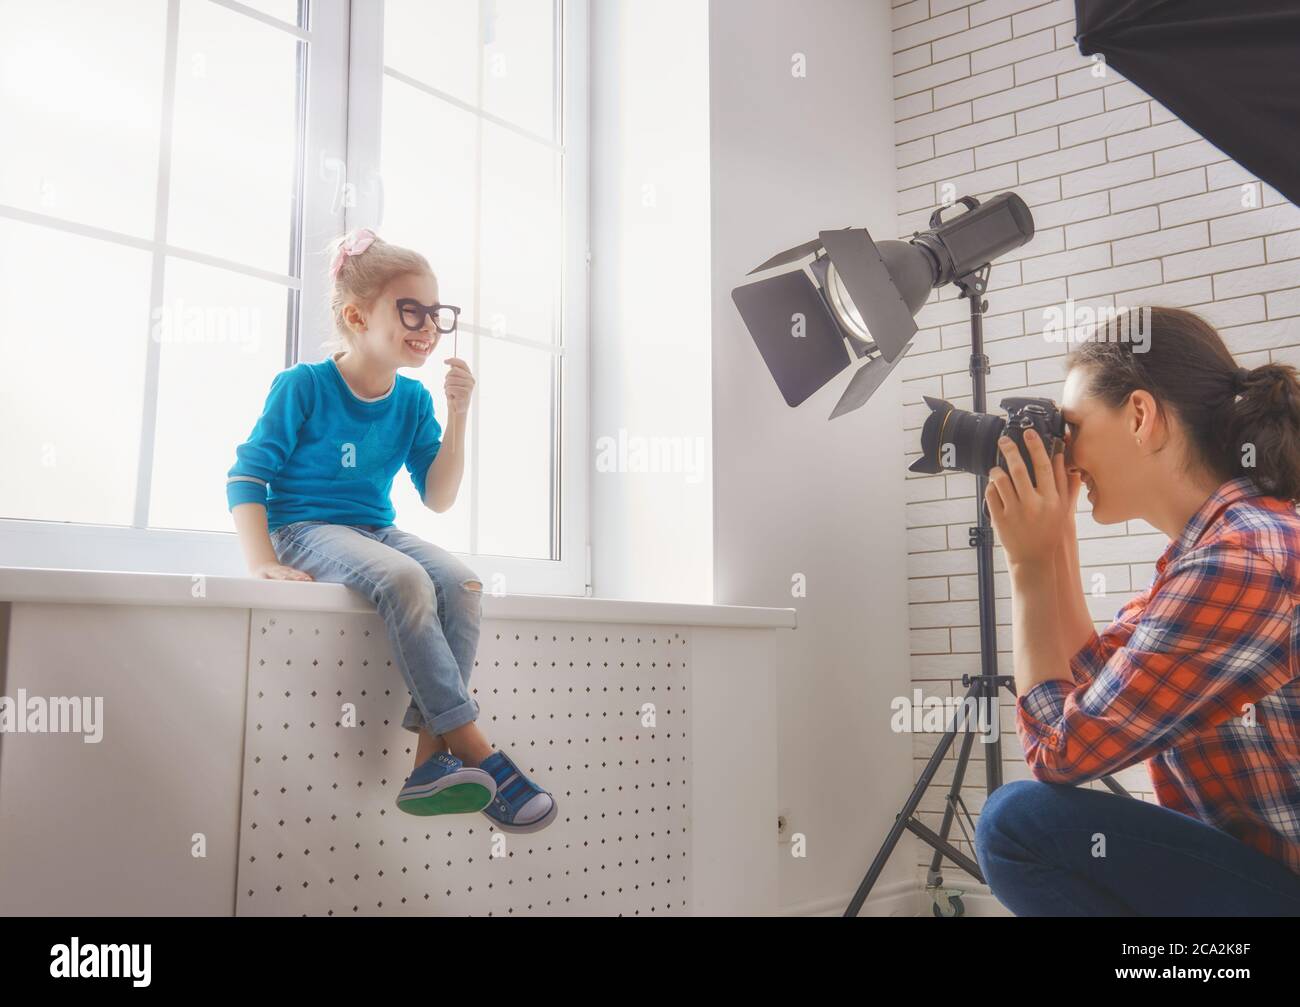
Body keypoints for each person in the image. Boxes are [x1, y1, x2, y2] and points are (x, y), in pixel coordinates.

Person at [226, 227, 556, 833]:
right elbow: (247, 478)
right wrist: (260, 561)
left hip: (373, 531)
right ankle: (477, 749)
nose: (428, 326)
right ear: (355, 315)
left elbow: (437, 496)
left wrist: (458, 415)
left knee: (463, 584)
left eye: (435, 313)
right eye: (411, 311)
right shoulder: (303, 385)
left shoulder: (410, 401)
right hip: (305, 528)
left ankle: (430, 761)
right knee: (406, 579)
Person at [974, 305, 1300, 915]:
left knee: (1016, 825)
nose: (1065, 455)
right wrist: (1056, 539)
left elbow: (1058, 750)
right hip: (1269, 877)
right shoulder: (1217, 547)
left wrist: (1026, 569)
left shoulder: (1236, 561)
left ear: (1141, 416)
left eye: (1071, 428)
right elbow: (1093, 683)